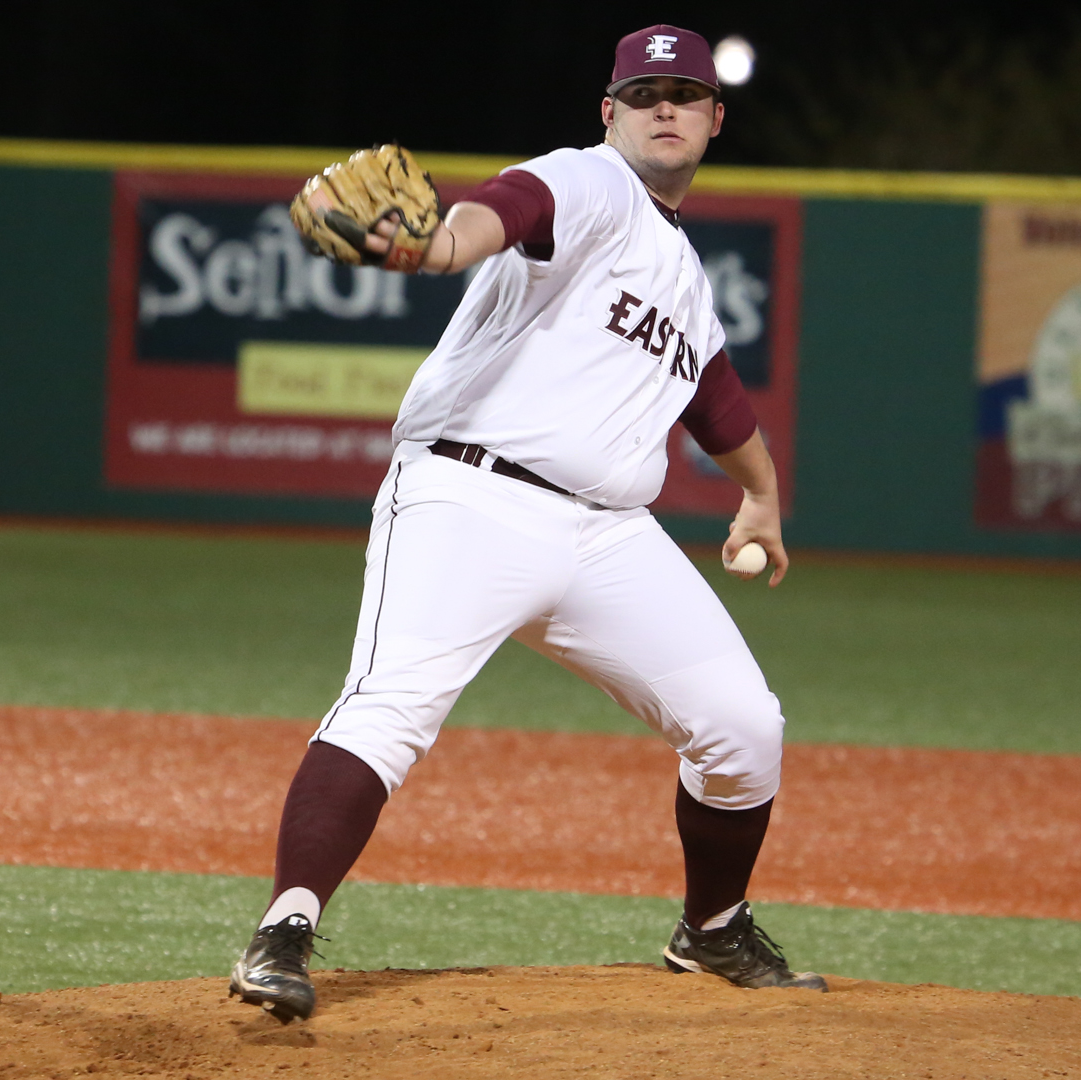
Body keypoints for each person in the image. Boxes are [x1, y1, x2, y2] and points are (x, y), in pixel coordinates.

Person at [230, 23, 825, 1023]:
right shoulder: (591, 183)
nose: (665, 107)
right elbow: (502, 212)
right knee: (391, 705)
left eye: (685, 93)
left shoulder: (684, 276)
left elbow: (718, 404)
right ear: (611, 112)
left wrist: (760, 495)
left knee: (743, 728)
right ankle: (283, 927)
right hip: (471, 497)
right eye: (645, 94)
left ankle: (713, 927)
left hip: (608, 539)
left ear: (716, 119)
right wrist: (434, 245)